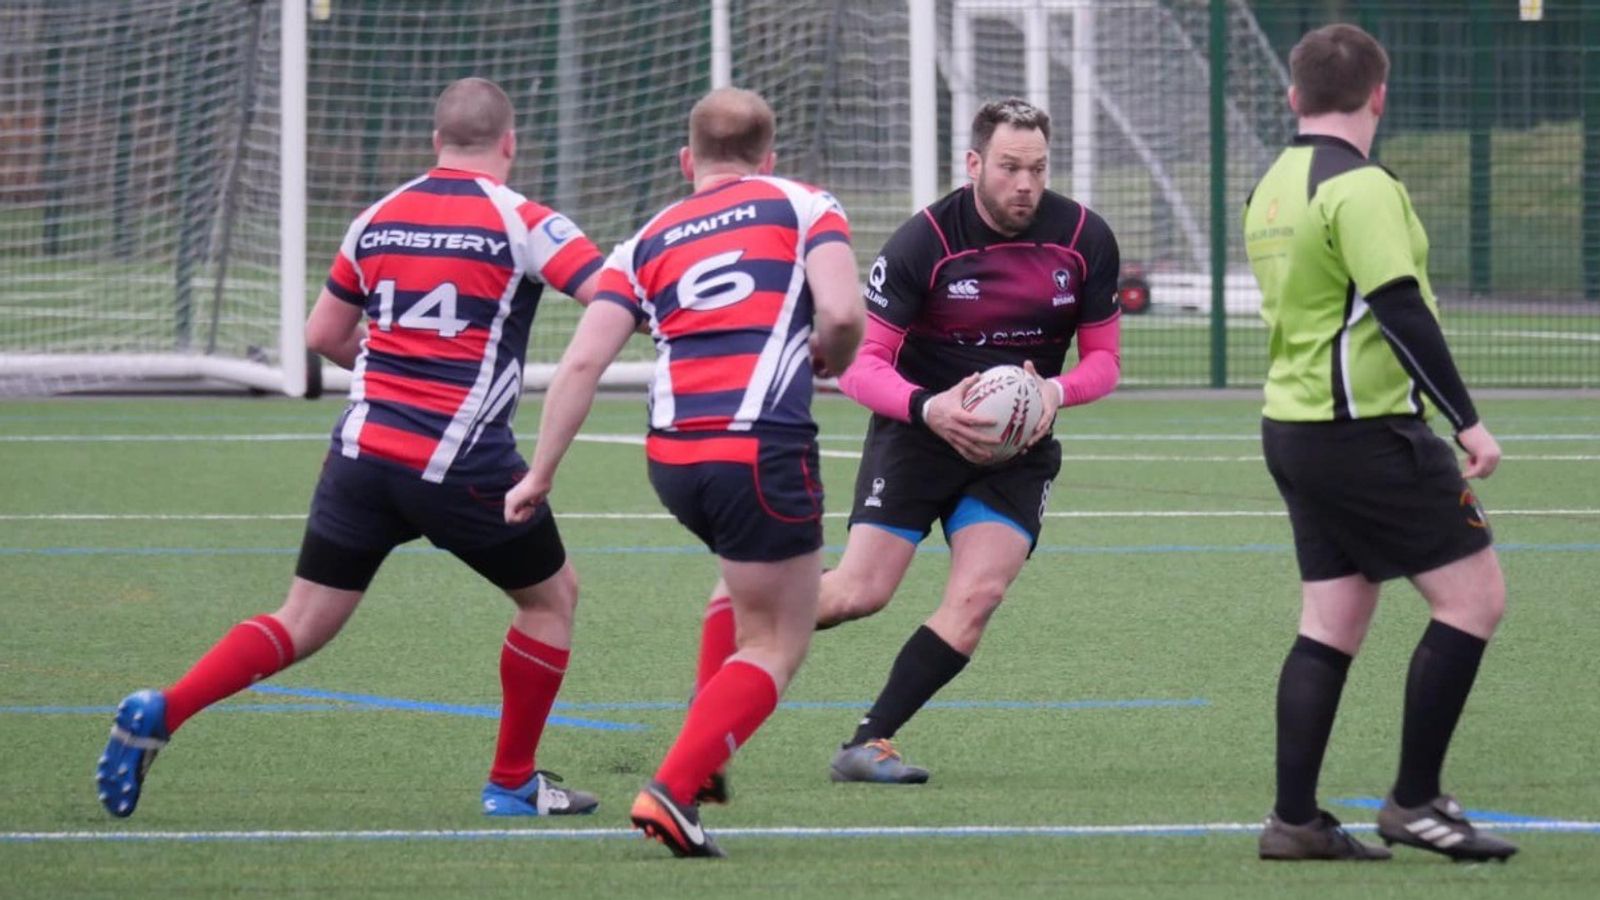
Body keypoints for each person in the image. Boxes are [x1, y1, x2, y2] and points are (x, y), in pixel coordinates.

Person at [95, 78, 606, 820]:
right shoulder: (527, 221)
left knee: (300, 620)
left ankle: (162, 709)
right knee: (551, 600)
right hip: (461, 463)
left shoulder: (375, 218)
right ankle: (512, 783)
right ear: (510, 142)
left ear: (436, 141)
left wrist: (393, 361)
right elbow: (606, 295)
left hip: (362, 455)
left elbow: (323, 336)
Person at [505, 86, 864, 858]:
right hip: (759, 446)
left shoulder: (644, 240)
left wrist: (539, 475)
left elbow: (582, 362)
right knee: (777, 640)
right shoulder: (804, 203)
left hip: (673, 458)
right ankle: (673, 788)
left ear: (685, 160)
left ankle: (707, 765)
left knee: (737, 589)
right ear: (769, 157)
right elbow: (839, 312)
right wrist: (837, 351)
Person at [1243, 24, 1516, 863]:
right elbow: (1399, 309)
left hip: (1294, 427)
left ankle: (1295, 821)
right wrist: (1466, 418)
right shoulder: (1360, 188)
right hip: (1365, 432)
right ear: (1379, 95)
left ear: (1294, 97)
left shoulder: (1275, 182)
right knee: (1474, 600)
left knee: (1332, 617)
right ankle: (1416, 801)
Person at [814, 98, 1122, 784]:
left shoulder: (1084, 237)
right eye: (1010, 167)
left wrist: (1054, 392)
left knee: (979, 595)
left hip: (1017, 447)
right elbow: (858, 367)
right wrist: (929, 409)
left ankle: (869, 743)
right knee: (860, 593)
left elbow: (1105, 361)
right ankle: (735, 633)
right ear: (975, 164)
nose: (1025, 184)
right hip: (919, 433)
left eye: (1038, 169)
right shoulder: (924, 241)